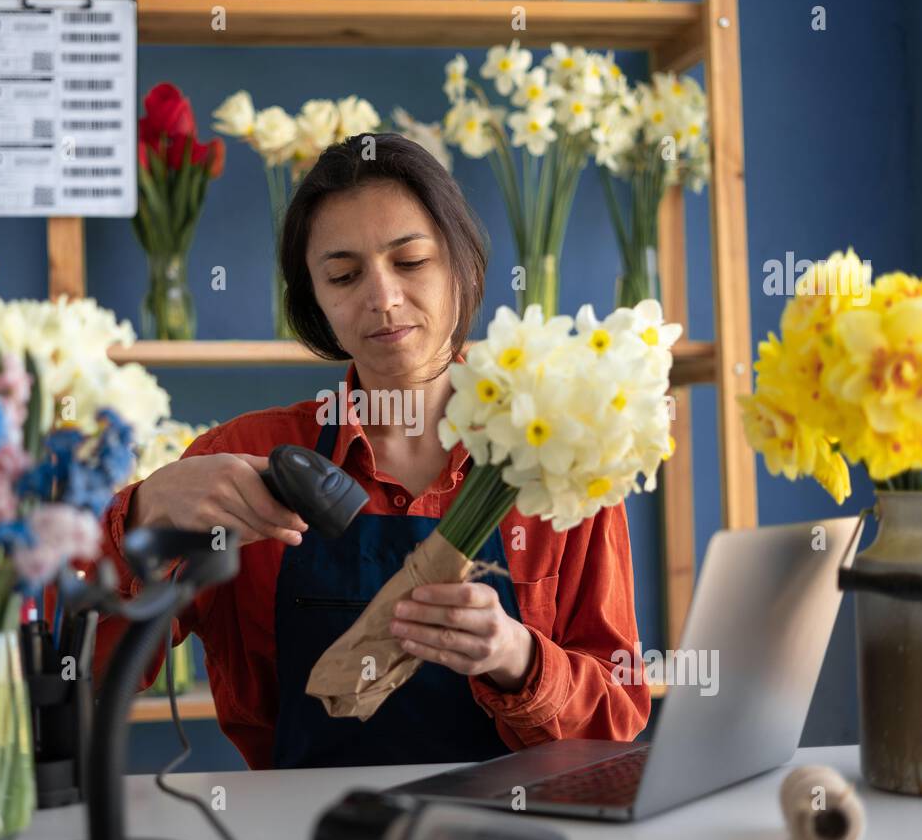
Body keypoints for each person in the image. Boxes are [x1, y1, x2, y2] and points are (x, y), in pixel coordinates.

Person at [92, 132, 650, 769]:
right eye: (343, 275)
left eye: (411, 262)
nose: (382, 298)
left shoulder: (557, 462)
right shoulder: (244, 455)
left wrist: (515, 658)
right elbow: (79, 670)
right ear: (314, 300)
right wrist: (143, 514)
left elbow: (614, 727)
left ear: (462, 264)